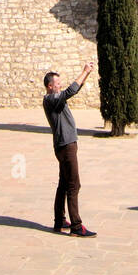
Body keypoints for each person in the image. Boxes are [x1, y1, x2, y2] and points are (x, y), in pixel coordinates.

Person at [42, 62, 95, 237]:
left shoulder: (56, 98)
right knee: (74, 184)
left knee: (64, 184)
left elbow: (73, 91)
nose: (60, 85)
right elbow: (69, 92)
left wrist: (86, 75)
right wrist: (83, 71)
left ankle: (59, 221)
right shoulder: (51, 99)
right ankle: (77, 226)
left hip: (65, 145)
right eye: (57, 83)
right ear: (50, 86)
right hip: (66, 146)